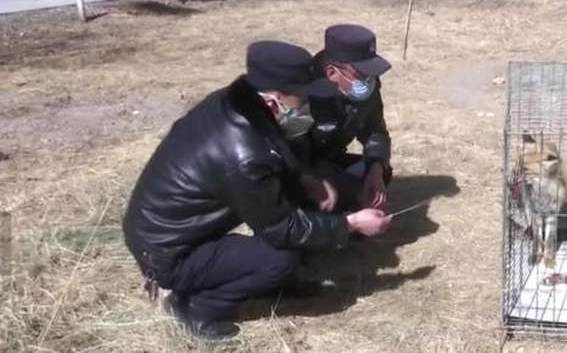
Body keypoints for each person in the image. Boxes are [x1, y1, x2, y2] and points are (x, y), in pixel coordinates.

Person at [122, 41, 392, 340]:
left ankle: (273, 283)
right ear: (274, 100)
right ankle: (196, 307)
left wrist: (304, 177)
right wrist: (350, 223)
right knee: (280, 258)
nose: (307, 104)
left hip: (171, 229)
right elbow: (282, 228)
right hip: (168, 251)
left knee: (293, 207)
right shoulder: (242, 153)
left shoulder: (240, 103)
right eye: (301, 97)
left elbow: (275, 143)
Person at [292, 24, 393, 213]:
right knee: (347, 189)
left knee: (380, 175)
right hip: (299, 168)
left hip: (330, 159)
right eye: (361, 73)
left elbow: (375, 129)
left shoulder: (365, 88)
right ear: (331, 72)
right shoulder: (301, 92)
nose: (368, 80)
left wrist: (376, 166)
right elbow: (288, 152)